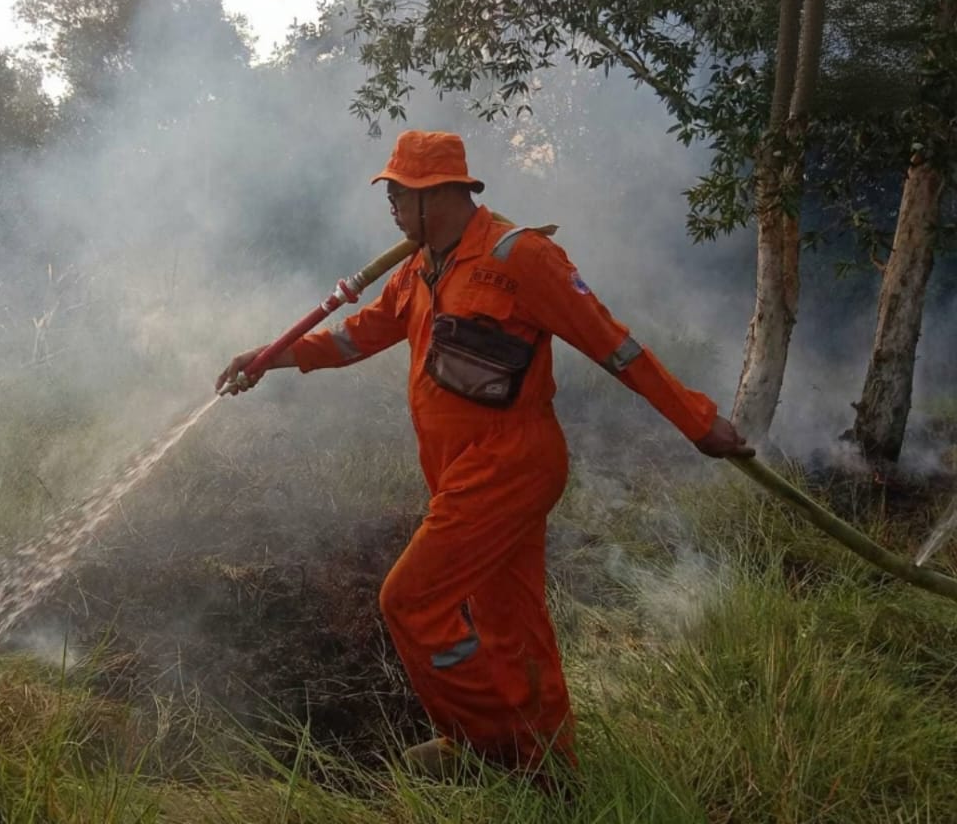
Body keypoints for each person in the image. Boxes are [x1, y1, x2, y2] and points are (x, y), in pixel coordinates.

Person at [215, 129, 752, 783]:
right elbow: (359, 337)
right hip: (455, 468)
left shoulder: (522, 258)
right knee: (511, 624)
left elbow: (615, 346)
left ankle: (478, 746)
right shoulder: (418, 269)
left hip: (513, 464)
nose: (388, 206)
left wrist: (698, 423)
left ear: (439, 194)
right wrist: (273, 358)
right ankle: (549, 769)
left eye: (398, 194)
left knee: (409, 600)